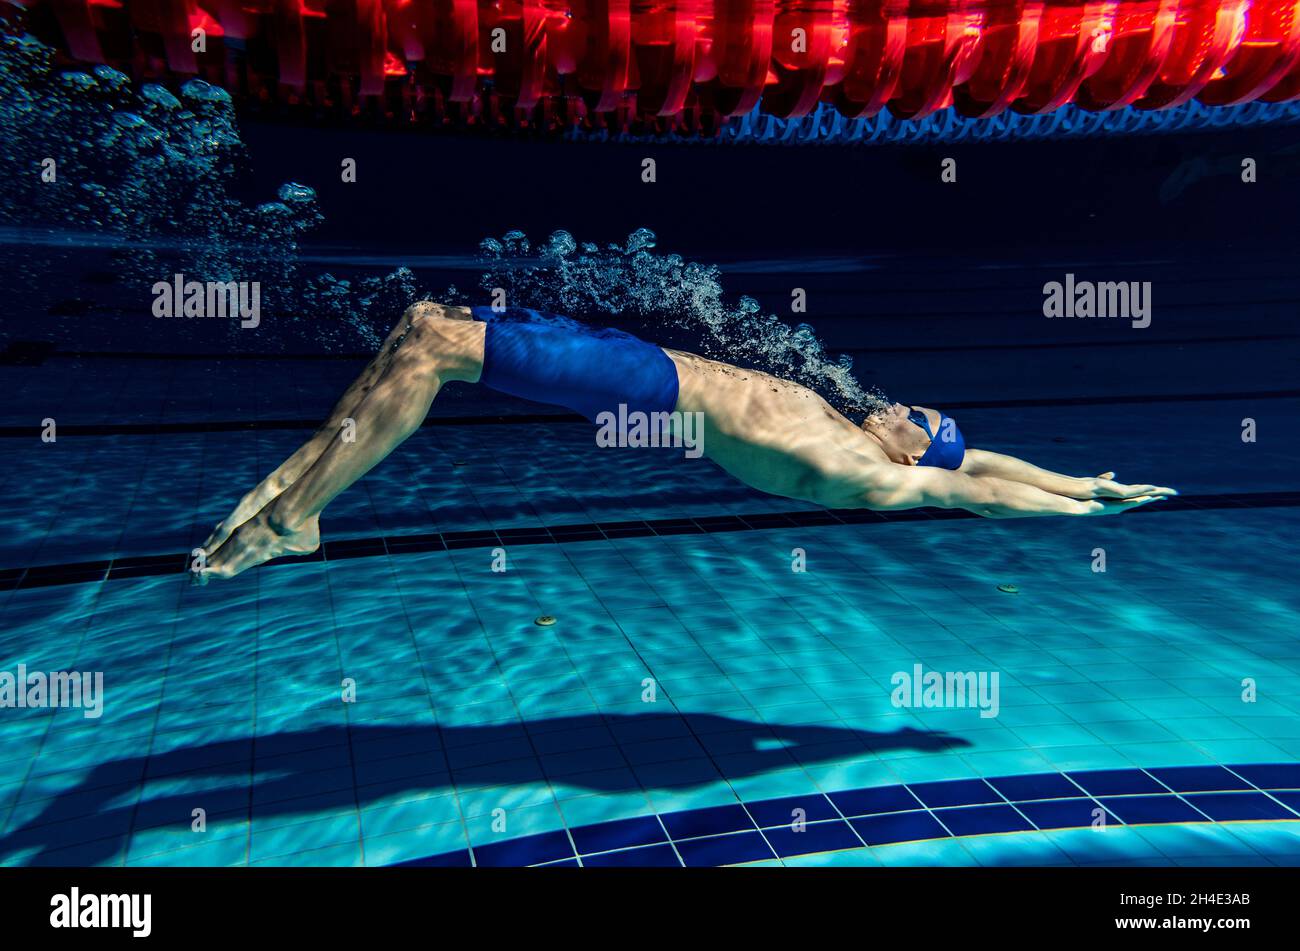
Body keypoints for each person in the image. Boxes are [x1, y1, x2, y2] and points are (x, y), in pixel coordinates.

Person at [196, 302, 1176, 581]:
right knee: (420, 327)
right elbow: (991, 463)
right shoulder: (865, 433)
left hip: (651, 386)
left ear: (912, 450)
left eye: (917, 417)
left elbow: (975, 489)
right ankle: (298, 488)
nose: (902, 404)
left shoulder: (867, 477)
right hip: (645, 367)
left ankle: (300, 516)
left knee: (440, 345)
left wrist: (1057, 510)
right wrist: (1087, 485)